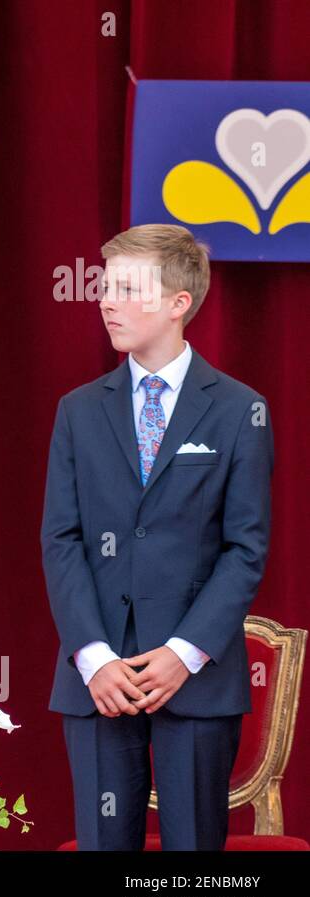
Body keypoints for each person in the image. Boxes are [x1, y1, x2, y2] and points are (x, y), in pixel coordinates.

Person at [41, 223, 272, 850]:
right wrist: (93, 656)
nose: (106, 301)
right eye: (103, 286)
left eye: (126, 287)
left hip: (195, 684)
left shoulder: (238, 408)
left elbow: (245, 548)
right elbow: (60, 541)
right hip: (98, 683)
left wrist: (184, 653)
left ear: (178, 303)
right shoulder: (79, 410)